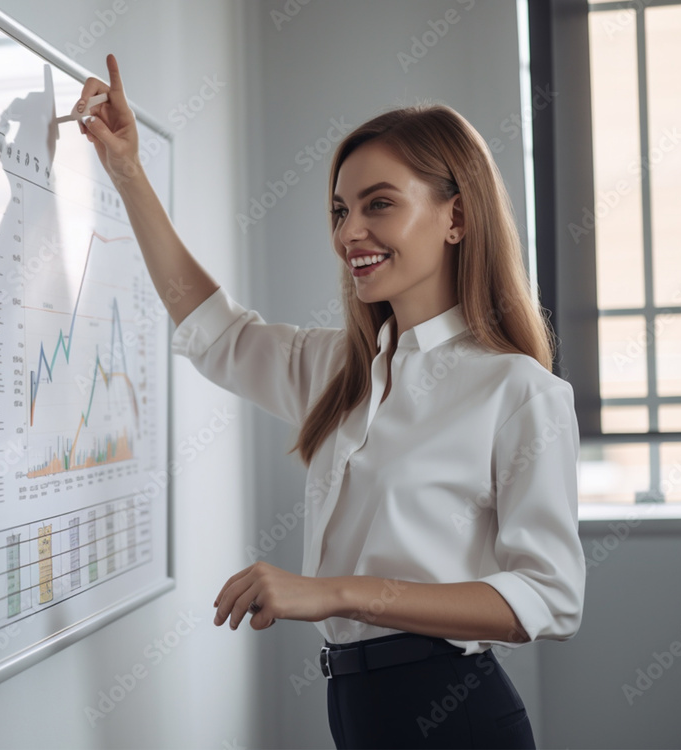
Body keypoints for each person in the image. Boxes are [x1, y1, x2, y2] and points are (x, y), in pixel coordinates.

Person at [76, 53, 585, 750]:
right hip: (356, 707)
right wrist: (127, 172)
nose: (349, 233)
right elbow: (214, 330)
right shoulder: (339, 372)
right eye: (341, 210)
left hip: (453, 713)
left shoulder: (520, 392)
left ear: (456, 217)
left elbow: (550, 597)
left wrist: (340, 591)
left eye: (380, 204)